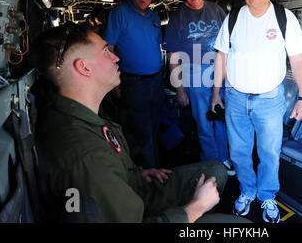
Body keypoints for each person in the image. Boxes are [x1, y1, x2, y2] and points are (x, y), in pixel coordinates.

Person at [34, 23, 248, 223]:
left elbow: (109, 169)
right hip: (140, 213)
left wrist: (134, 175)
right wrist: (194, 208)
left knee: (217, 171)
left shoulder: (80, 113)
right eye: (106, 51)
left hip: (134, 190)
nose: (116, 58)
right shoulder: (84, 157)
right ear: (84, 68)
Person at [211, 0, 302, 223]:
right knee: (239, 153)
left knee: (269, 153)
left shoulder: (283, 18)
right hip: (235, 99)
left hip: (269, 100)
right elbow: (221, 57)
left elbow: (299, 60)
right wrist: (215, 92)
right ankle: (247, 191)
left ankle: (267, 195)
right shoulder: (233, 19)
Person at [163, 0, 234, 174]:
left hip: (219, 69)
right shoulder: (178, 17)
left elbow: (227, 45)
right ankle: (211, 163)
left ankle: (224, 159)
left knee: (221, 119)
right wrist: (180, 89)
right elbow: (173, 57)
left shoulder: (216, 10)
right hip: (194, 72)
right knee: (203, 123)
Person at [102, 0, 164, 168]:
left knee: (155, 126)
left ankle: (157, 165)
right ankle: (150, 174)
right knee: (142, 129)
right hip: (134, 82)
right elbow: (108, 49)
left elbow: (156, 46)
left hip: (156, 81)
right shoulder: (120, 13)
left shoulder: (154, 17)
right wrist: (114, 83)